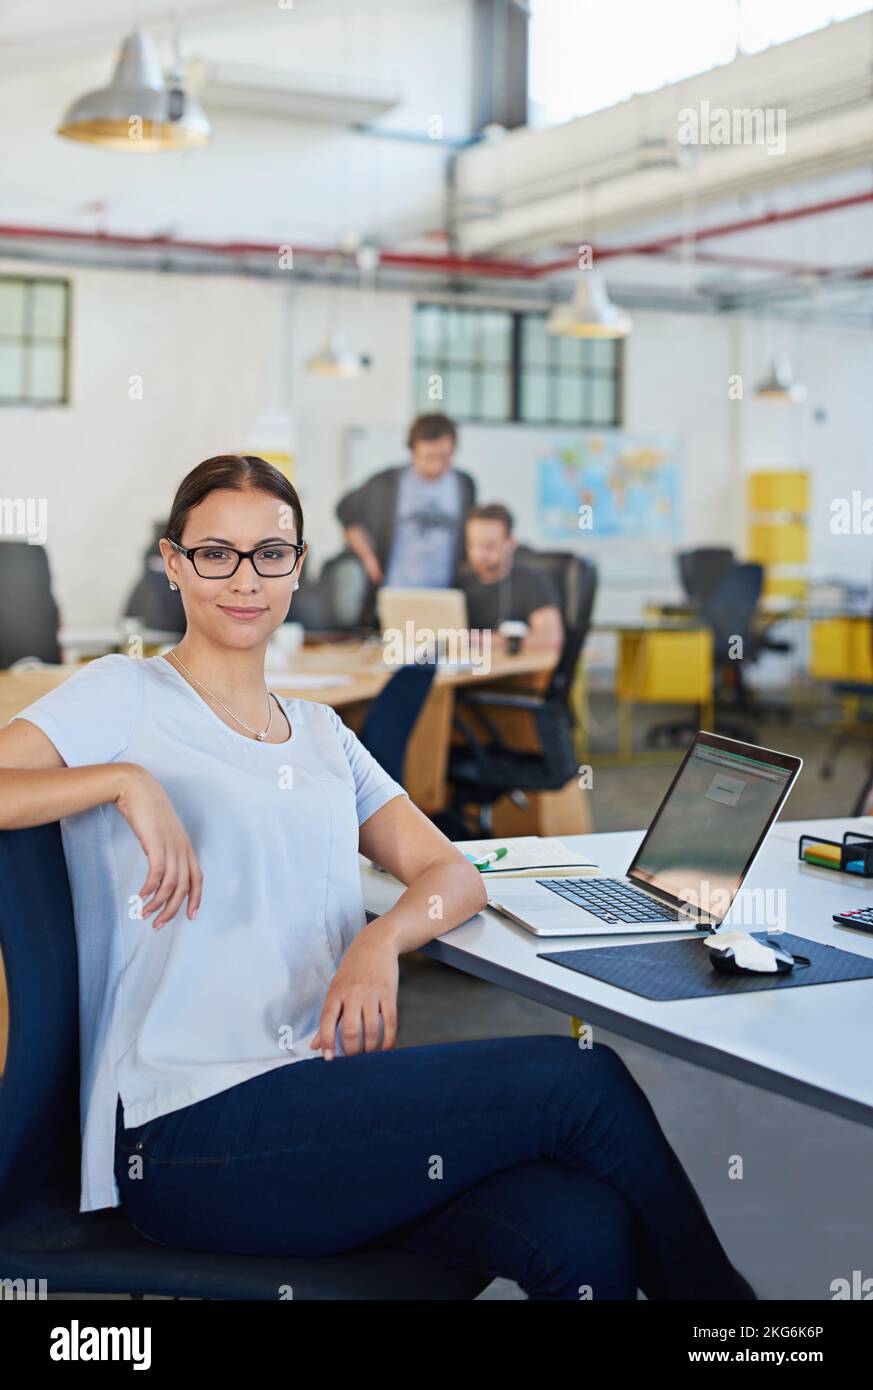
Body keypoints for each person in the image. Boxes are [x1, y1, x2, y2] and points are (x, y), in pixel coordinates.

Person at [0, 453, 755, 1300]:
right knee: (577, 1083)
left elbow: (449, 871)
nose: (243, 579)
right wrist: (121, 780)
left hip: (316, 1103)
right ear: (174, 564)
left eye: (270, 554)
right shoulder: (124, 695)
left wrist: (382, 936)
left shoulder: (322, 734)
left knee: (579, 1224)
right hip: (187, 1132)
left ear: (297, 566)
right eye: (215, 554)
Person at [336, 413, 476, 621]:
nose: (437, 466)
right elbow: (345, 511)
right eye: (429, 457)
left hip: (445, 597)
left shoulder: (464, 485)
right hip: (395, 595)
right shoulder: (387, 483)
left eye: (445, 457)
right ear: (413, 451)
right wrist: (368, 558)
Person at [460, 503, 565, 651]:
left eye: (489, 546)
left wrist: (493, 641)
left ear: (510, 543)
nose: (479, 555)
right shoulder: (460, 582)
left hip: (518, 671)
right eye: (473, 545)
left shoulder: (531, 581)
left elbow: (551, 639)